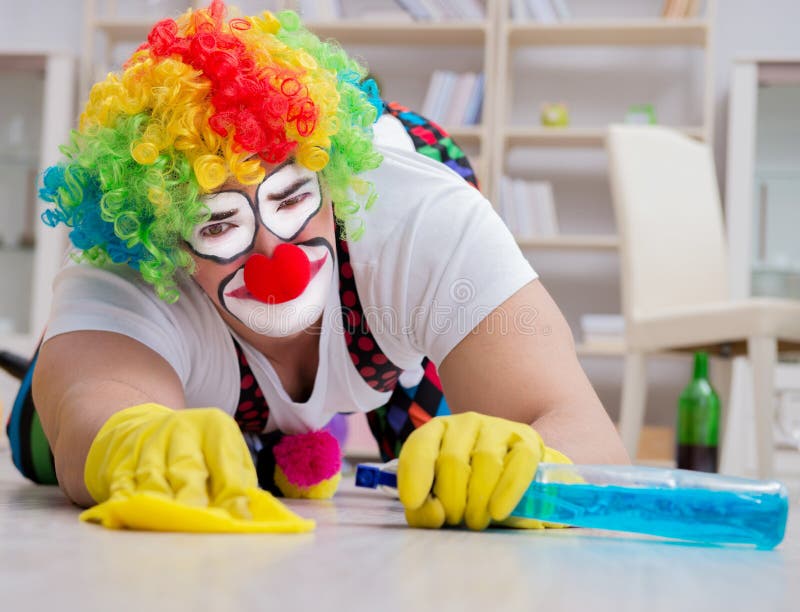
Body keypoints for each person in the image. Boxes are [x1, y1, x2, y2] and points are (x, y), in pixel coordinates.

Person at [9, 1, 627, 532]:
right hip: (193, 363)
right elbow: (96, 407)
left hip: (386, 335)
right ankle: (278, 437)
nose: (274, 259)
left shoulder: (423, 222)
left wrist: (539, 459)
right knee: (42, 440)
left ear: (333, 180)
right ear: (165, 241)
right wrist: (127, 437)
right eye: (218, 224)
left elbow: (586, 431)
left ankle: (306, 434)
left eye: (292, 199)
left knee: (460, 467)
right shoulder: (129, 263)